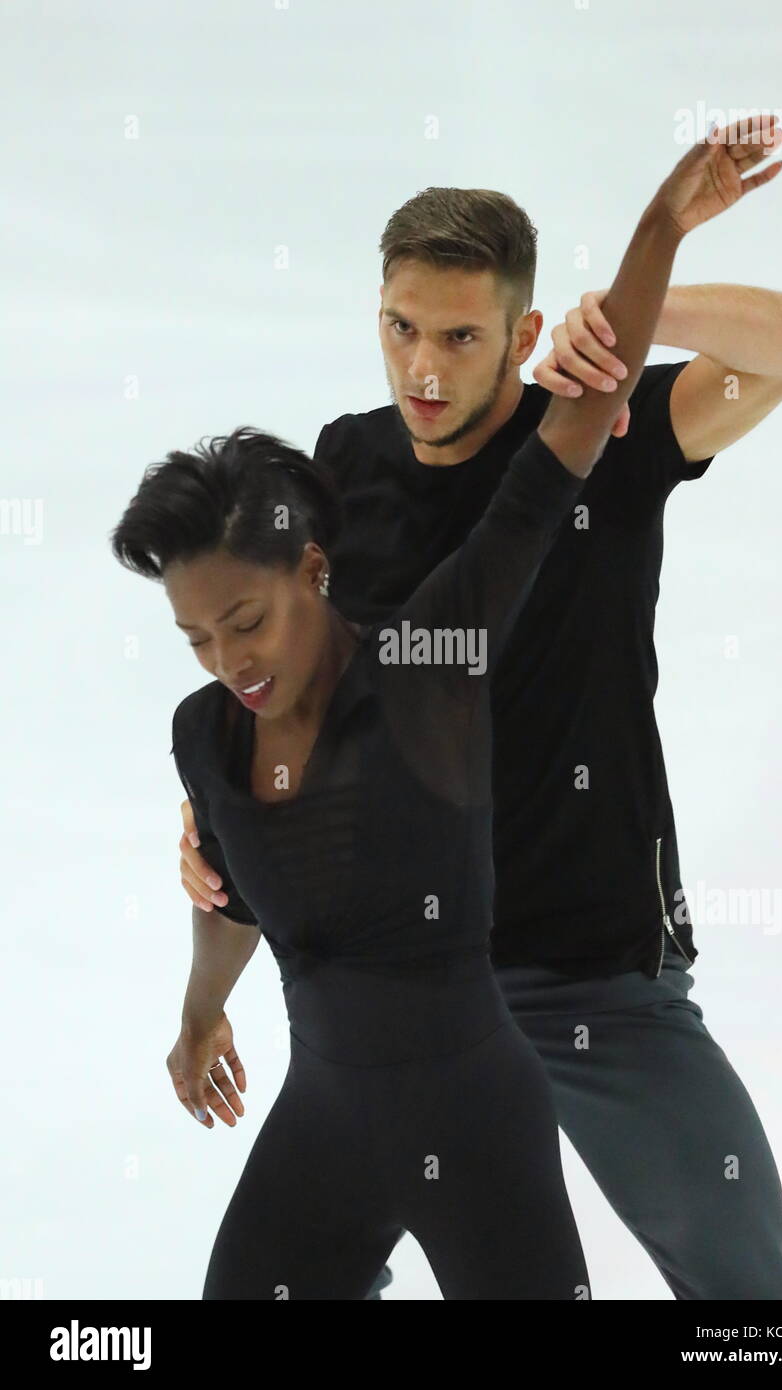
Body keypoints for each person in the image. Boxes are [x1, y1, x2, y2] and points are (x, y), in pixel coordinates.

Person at [111, 133, 726, 1300]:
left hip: (484, 1106)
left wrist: (658, 230)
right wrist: (198, 1017)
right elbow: (236, 895)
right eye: (198, 638)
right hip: (327, 1118)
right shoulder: (207, 733)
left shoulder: (427, 667)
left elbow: (566, 448)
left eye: (243, 618)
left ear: (311, 570)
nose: (229, 658)